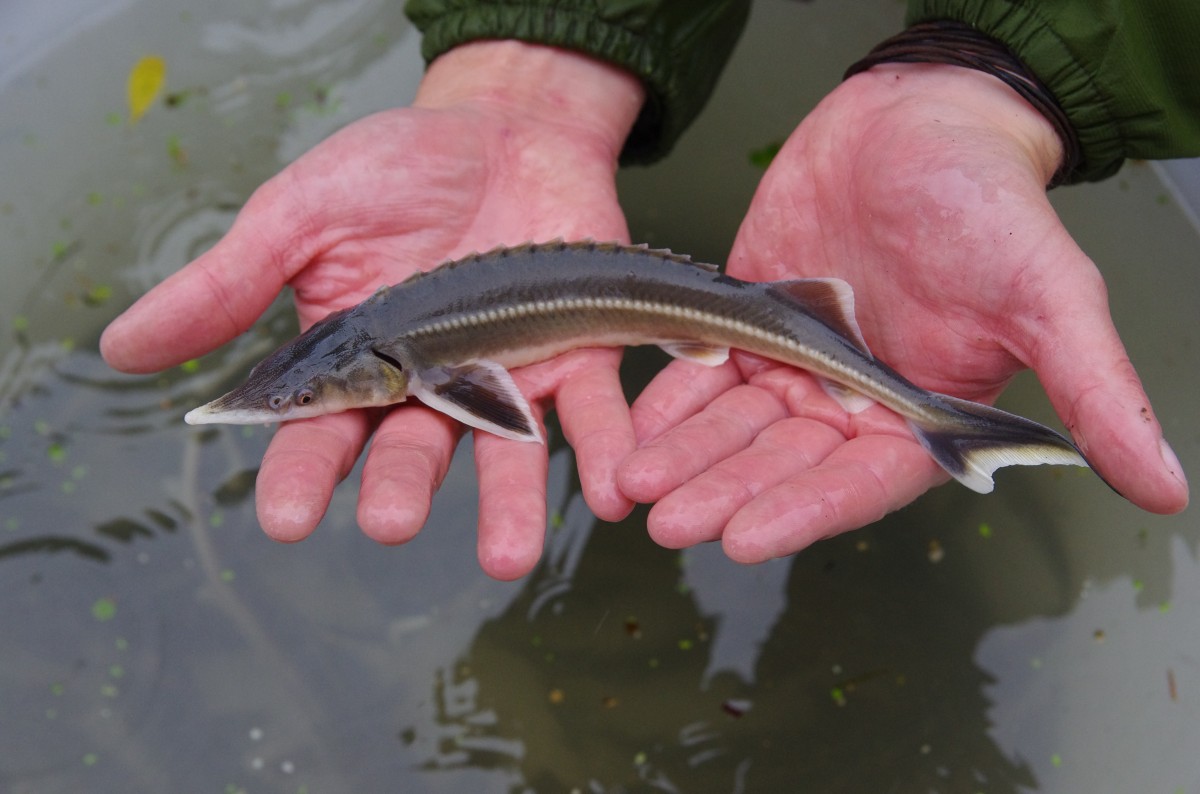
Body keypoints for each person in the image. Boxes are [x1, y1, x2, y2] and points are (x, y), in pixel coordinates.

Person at [100, 0, 1195, 580]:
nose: (291, 402)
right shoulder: (391, 342)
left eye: (301, 395)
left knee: (795, 382)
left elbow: (488, 401)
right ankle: (941, 423)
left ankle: (943, 423)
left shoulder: (421, 362)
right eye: (294, 394)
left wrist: (994, 77)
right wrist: (530, 66)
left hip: (738, 311)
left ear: (381, 367)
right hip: (703, 297)